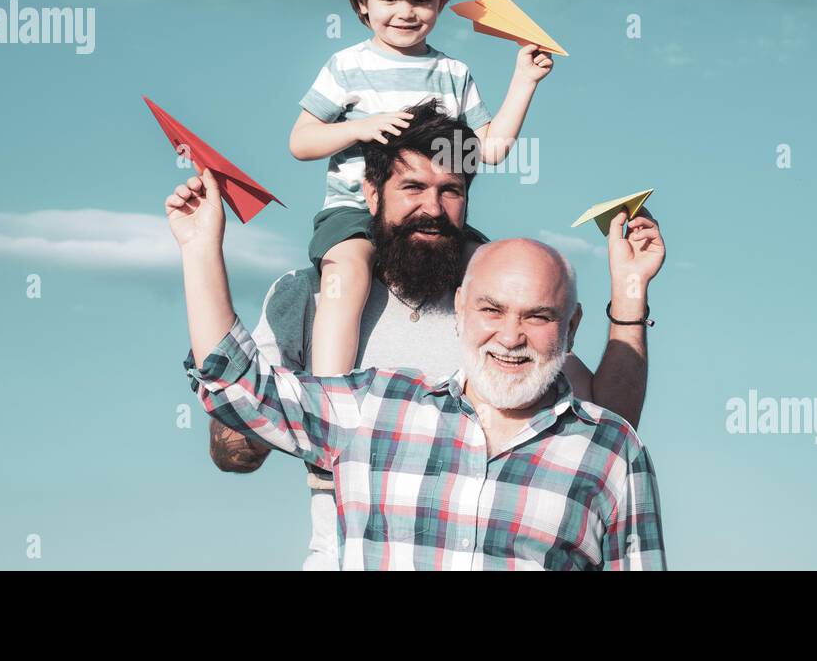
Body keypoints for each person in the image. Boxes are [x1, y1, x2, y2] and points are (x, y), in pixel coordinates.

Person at [169, 101, 665, 568]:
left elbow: (600, 439)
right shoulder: (317, 307)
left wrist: (629, 293)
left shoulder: (498, 317)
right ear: (370, 193)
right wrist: (312, 429)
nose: (432, 207)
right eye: (412, 188)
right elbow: (237, 431)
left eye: (450, 191)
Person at [180, 231, 667, 570]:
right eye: (491, 309)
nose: (510, 336)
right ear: (460, 308)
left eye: (537, 316)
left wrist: (630, 290)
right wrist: (199, 246)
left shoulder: (612, 449)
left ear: (571, 327)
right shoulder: (376, 407)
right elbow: (237, 388)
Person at [289, 0, 555, 381]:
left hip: (432, 214)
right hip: (353, 208)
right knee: (346, 275)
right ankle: (328, 390)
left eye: (421, 0)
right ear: (362, 4)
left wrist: (525, 81)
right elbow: (302, 141)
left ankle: (494, 389)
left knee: (493, 271)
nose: (406, 12)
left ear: (441, 1)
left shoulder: (453, 73)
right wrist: (362, 128)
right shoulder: (347, 66)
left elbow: (489, 150)